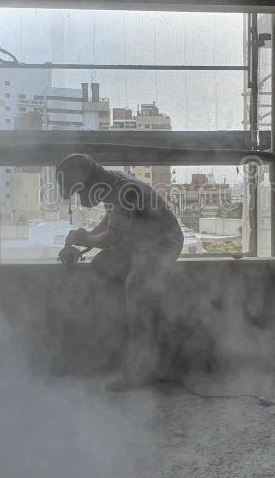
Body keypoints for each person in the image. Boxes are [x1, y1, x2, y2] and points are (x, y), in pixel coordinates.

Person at [55, 153, 184, 390]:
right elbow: (113, 220)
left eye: (77, 192)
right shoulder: (111, 183)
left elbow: (113, 236)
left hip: (163, 243)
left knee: (136, 286)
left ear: (87, 184)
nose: (79, 198)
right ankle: (118, 340)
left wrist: (87, 239)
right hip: (140, 240)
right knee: (100, 266)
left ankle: (141, 368)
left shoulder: (125, 191)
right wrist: (86, 242)